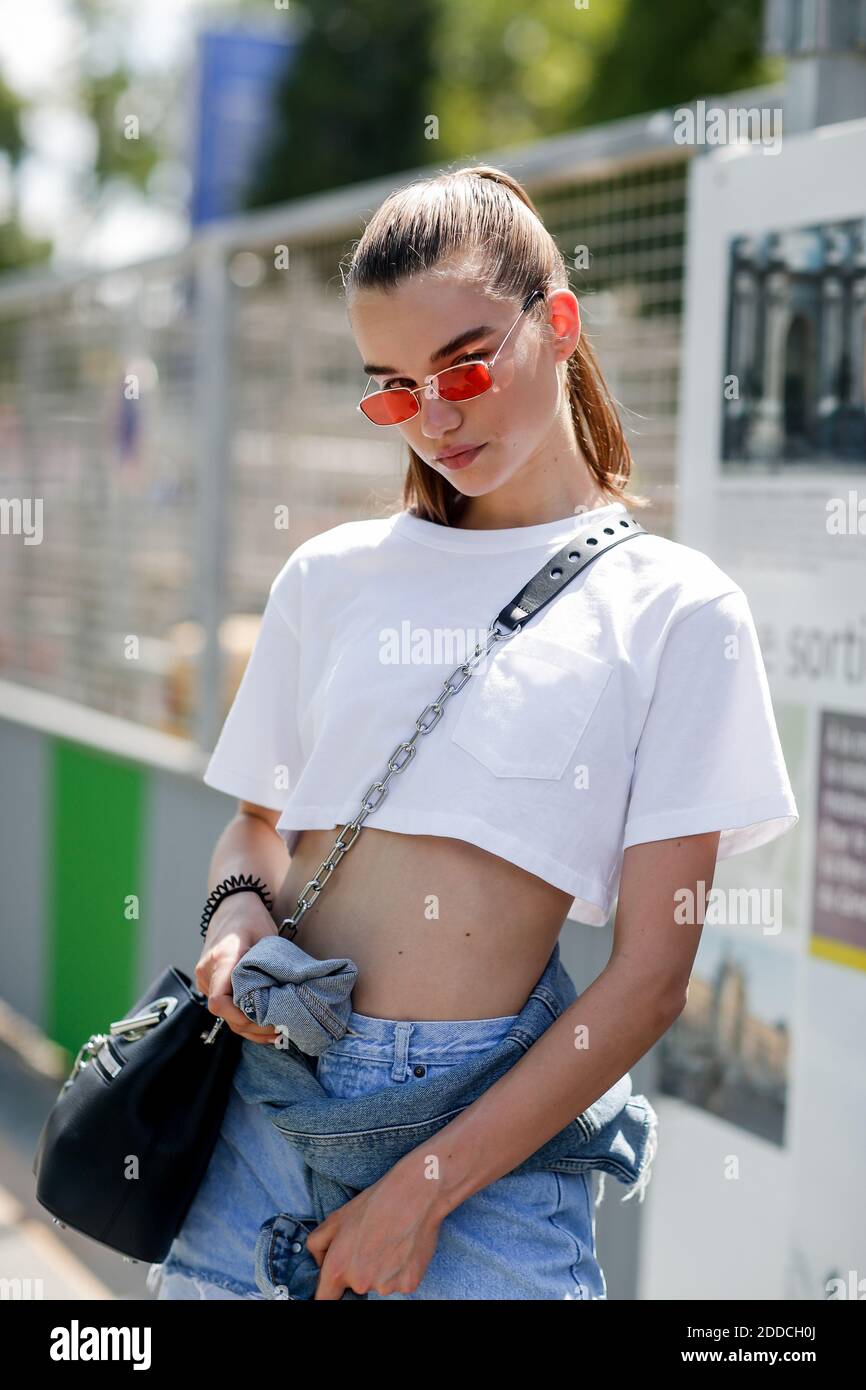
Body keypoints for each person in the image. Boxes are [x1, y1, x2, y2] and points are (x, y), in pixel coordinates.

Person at [147, 165, 799, 1301]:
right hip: (265, 1109)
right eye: (394, 390)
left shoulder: (678, 610)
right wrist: (237, 915)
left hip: (484, 1154)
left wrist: (422, 1191)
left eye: (463, 366)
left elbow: (652, 979)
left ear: (559, 323)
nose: (436, 419)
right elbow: (257, 827)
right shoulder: (331, 576)